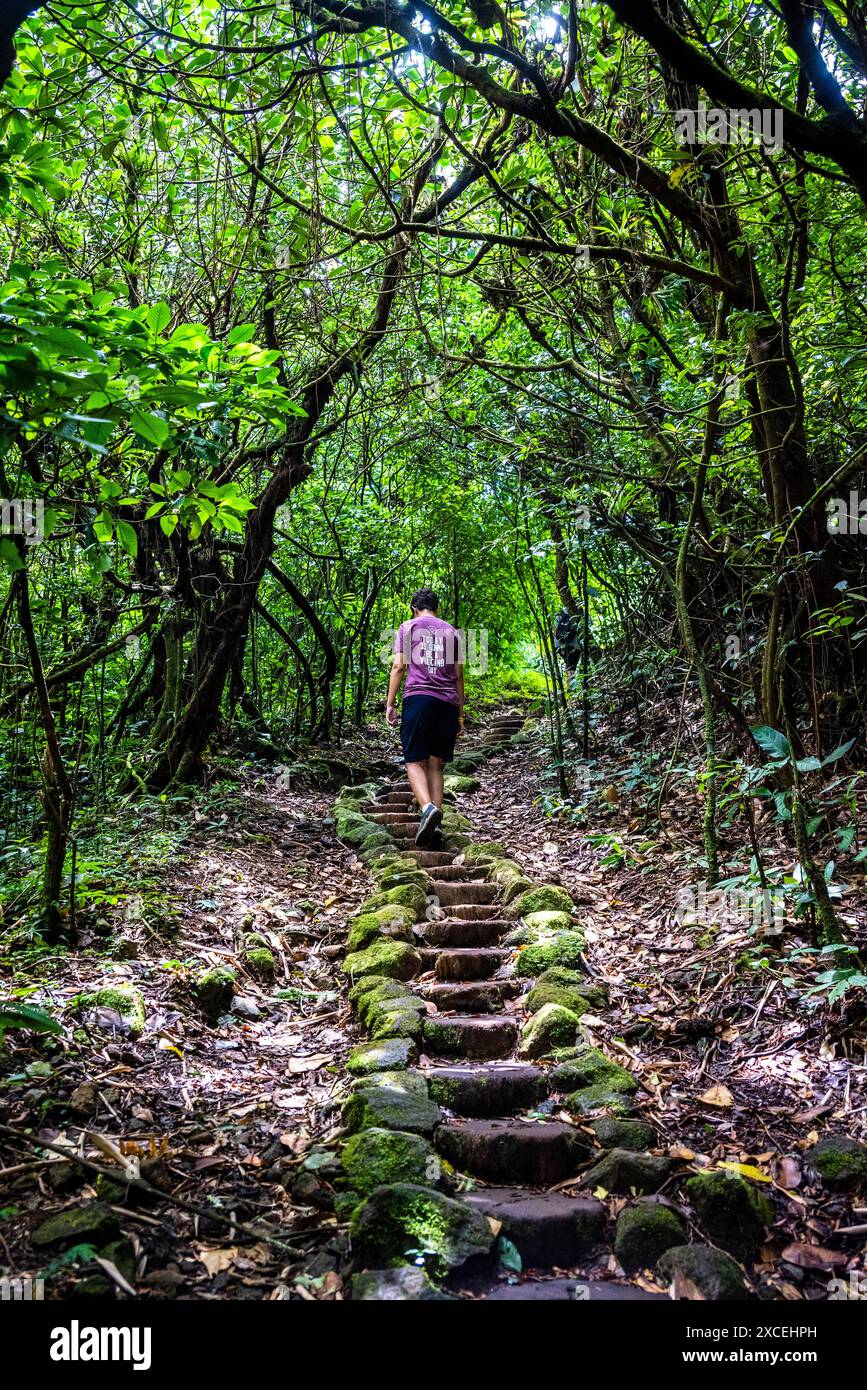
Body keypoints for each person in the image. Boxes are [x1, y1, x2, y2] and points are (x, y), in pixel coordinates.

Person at [386, 587, 464, 846]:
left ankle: (427, 809)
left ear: (414, 608)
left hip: (418, 698)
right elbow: (458, 675)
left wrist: (390, 704)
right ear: (436, 608)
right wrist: (460, 714)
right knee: (435, 762)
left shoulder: (407, 627)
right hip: (447, 703)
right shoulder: (452, 631)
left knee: (413, 760)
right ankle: (436, 823)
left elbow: (399, 666)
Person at [552, 606, 582, 682]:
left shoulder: (561, 613)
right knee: (571, 666)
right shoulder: (580, 611)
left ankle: (570, 688)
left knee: (569, 664)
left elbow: (555, 632)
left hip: (559, 645)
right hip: (574, 644)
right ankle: (571, 688)